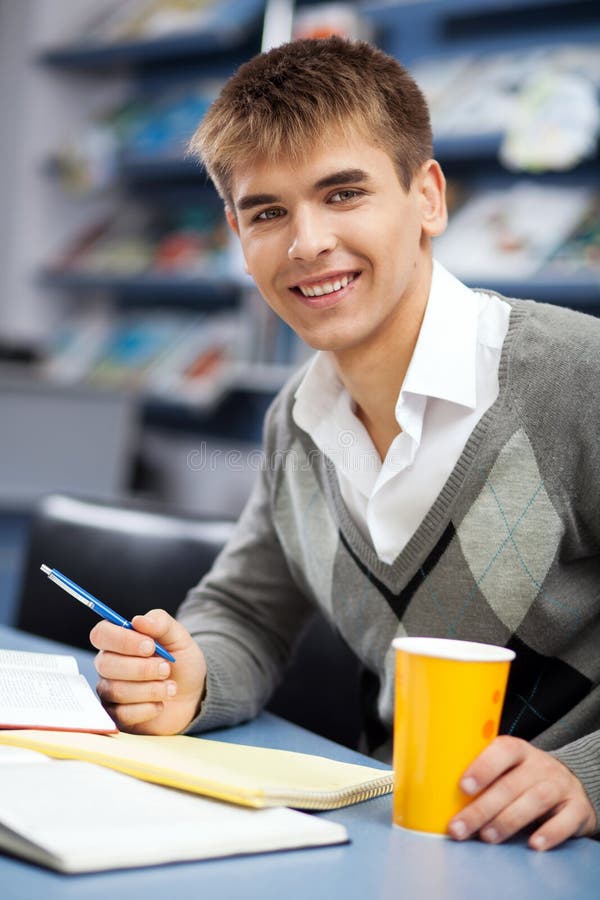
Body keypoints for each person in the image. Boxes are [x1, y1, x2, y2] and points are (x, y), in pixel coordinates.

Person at [90, 37, 599, 851]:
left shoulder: (578, 378)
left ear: (428, 196)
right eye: (267, 212)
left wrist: (586, 775)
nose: (307, 242)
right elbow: (246, 610)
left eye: (343, 193)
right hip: (398, 842)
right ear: (237, 235)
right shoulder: (295, 421)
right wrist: (195, 678)